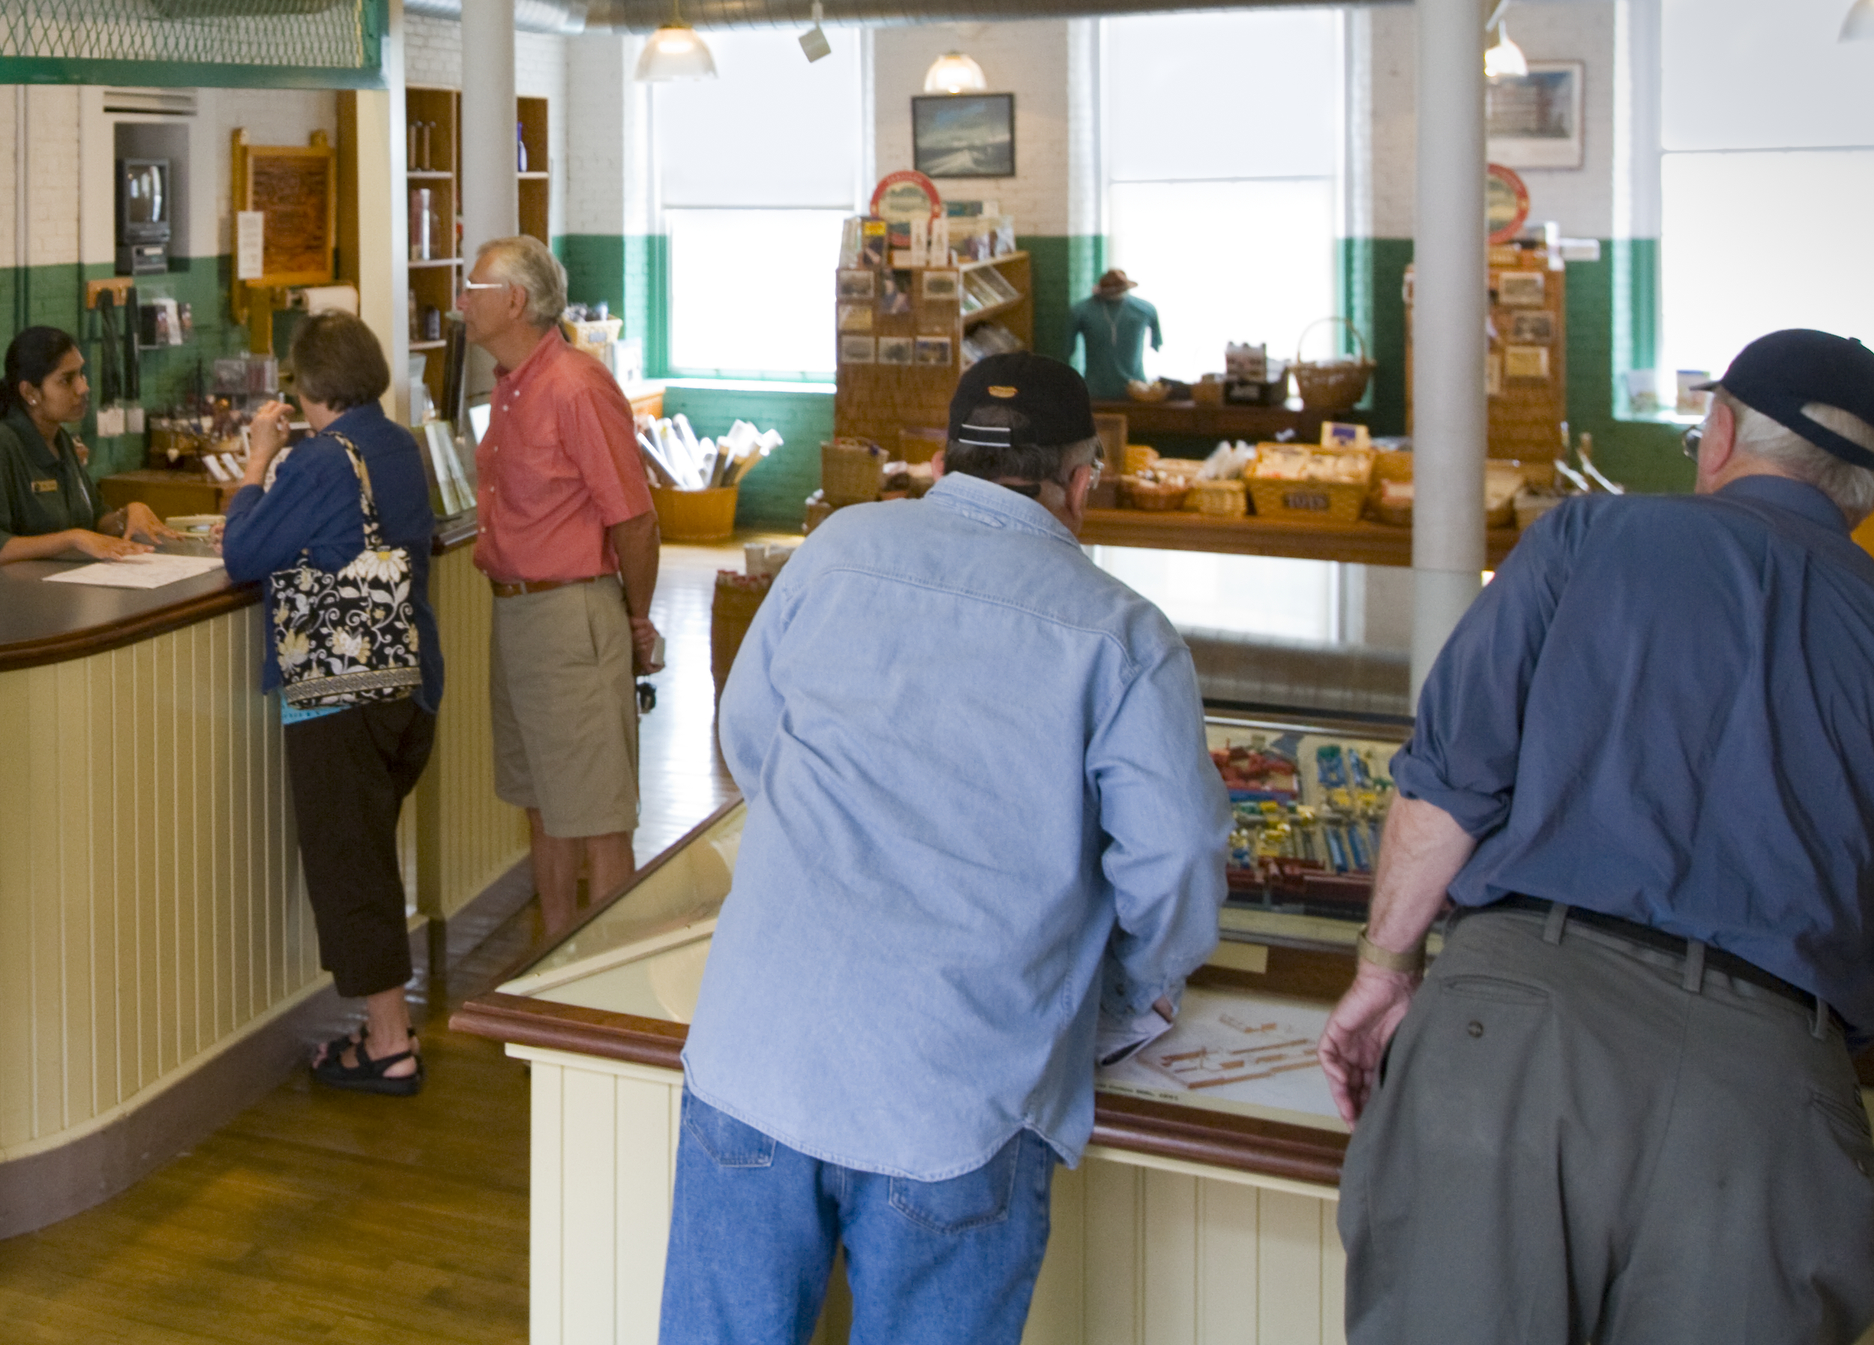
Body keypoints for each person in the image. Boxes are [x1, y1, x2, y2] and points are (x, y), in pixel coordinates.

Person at [1319, 327, 1874, 1345]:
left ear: (1716, 434)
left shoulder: (1590, 538)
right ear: (1859, 494)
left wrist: (1384, 967)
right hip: (1766, 1095)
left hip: (1514, 1034)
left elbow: (1447, 791)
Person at [662, 353, 1228, 1345]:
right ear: (1081, 485)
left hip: (756, 1051)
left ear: (941, 460)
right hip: (955, 1092)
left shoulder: (836, 549)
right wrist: (1129, 995)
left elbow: (751, 740)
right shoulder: (1124, 637)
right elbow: (1175, 864)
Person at [219, 312, 443, 1097]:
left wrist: (255, 465)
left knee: (353, 870)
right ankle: (390, 1028)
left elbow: (244, 552)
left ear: (308, 386)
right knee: (370, 856)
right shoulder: (399, 445)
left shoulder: (318, 461)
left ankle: (389, 1045)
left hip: (339, 687)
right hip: (407, 679)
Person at [460, 235, 658, 936]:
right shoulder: (511, 387)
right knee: (543, 805)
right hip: (517, 612)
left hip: (573, 611)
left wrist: (636, 620)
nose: (460, 302)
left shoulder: (575, 385)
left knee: (597, 817)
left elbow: (634, 519)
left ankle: (601, 980)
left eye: (472, 288)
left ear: (514, 301)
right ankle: (554, 960)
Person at [0, 324, 164, 569]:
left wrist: (127, 515)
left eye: (81, 374)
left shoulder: (61, 441)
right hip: (13, 597)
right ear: (30, 392)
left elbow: (96, 518)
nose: (83, 388)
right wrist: (72, 539)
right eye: (66, 380)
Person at [1067, 267, 1162, 401]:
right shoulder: (1081, 311)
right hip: (1095, 390)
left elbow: (1156, 342)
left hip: (1135, 389)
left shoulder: (1145, 310)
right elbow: (1067, 349)